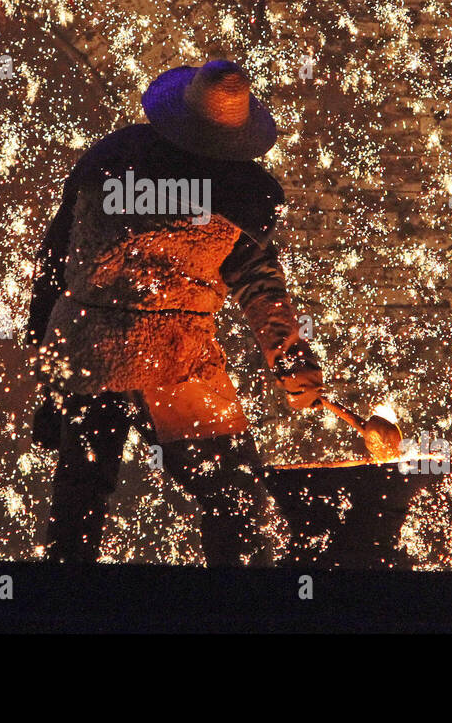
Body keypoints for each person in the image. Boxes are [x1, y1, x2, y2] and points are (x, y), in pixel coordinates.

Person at [27, 59, 325, 565]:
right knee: (233, 495)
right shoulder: (240, 193)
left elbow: (57, 253)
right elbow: (256, 278)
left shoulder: (112, 156)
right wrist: (288, 353)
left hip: (84, 346)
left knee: (80, 498)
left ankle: (58, 614)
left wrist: (45, 349)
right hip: (174, 355)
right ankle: (235, 617)